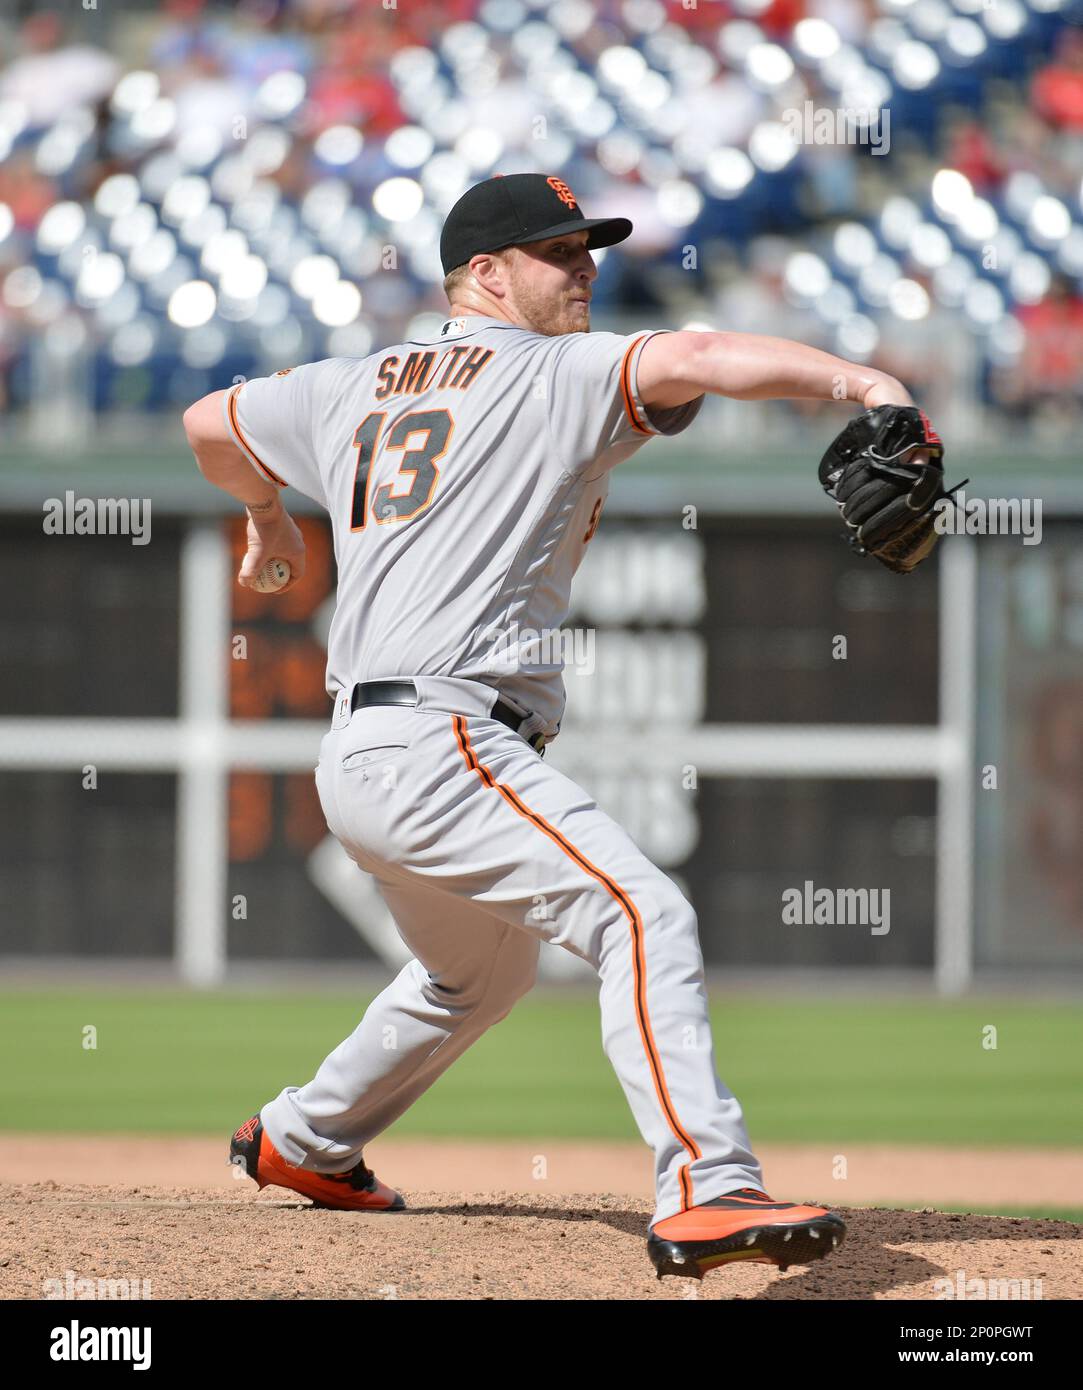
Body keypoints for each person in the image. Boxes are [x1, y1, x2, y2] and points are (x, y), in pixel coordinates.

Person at [184, 172, 927, 1280]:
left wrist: (263, 515)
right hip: (444, 740)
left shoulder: (349, 386)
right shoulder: (555, 372)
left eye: (588, 249)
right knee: (642, 912)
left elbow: (207, 422)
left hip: (360, 754)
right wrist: (865, 380)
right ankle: (706, 1187)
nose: (584, 268)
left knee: (478, 979)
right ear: (483, 275)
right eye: (556, 252)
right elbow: (707, 356)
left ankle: (303, 1138)